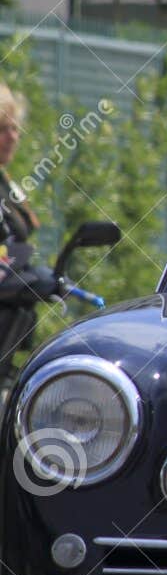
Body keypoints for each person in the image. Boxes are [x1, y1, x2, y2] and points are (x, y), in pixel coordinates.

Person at [0, 83, 58, 391]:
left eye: (14, 128)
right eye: (2, 130)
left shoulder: (5, 182)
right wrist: (25, 281)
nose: (13, 137)